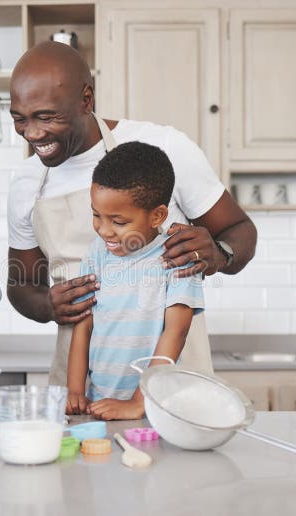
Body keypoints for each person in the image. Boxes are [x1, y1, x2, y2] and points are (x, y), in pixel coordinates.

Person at [7, 42, 257, 386]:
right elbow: (22, 284)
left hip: (172, 378)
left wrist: (221, 253)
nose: (32, 133)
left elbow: (240, 229)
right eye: (20, 119)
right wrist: (46, 306)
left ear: (86, 99)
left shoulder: (163, 148)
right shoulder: (26, 181)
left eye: (47, 117)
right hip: (82, 384)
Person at [66, 142, 205, 420]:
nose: (104, 230)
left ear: (157, 216)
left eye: (118, 221)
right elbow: (84, 324)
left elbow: (175, 332)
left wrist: (139, 403)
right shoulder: (97, 253)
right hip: (98, 405)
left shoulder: (178, 256)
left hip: (155, 407)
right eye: (96, 215)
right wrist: (75, 390)